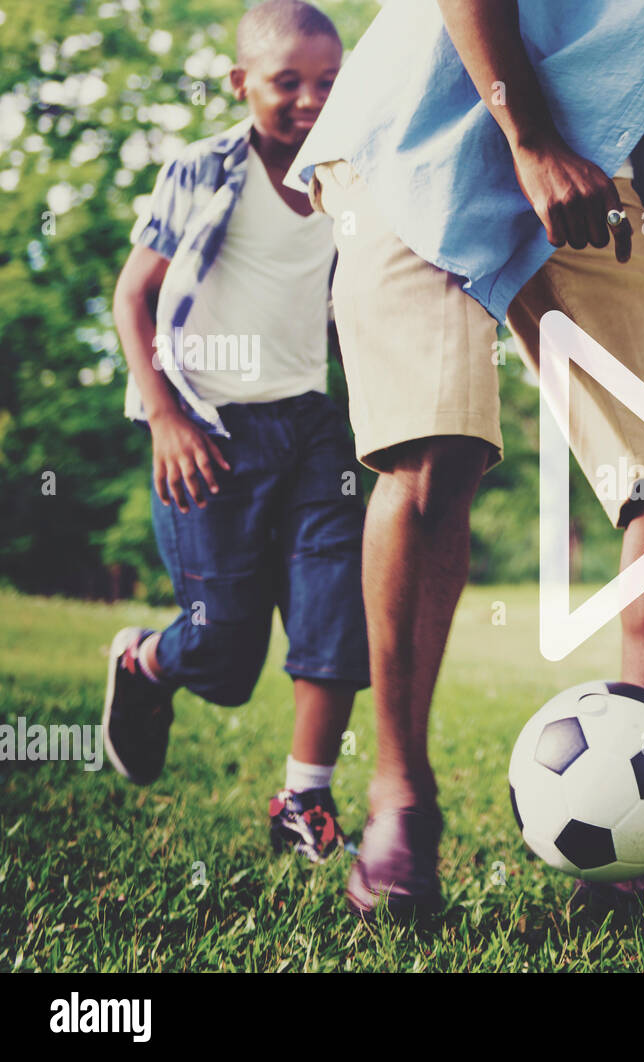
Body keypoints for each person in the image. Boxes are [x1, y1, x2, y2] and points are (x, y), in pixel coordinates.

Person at [289, 0, 644, 927]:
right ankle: (401, 799)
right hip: (421, 133)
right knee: (436, 448)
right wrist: (530, 135)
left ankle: (640, 849)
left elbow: (626, 35)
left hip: (593, 172)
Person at [104, 0, 367, 863]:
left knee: (335, 615)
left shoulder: (351, 173)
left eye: (327, 82)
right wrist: (165, 418)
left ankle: (305, 799)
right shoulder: (203, 167)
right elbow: (132, 295)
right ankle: (146, 662)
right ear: (241, 82)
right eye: (286, 82)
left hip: (312, 428)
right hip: (210, 428)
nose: (308, 99)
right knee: (222, 655)